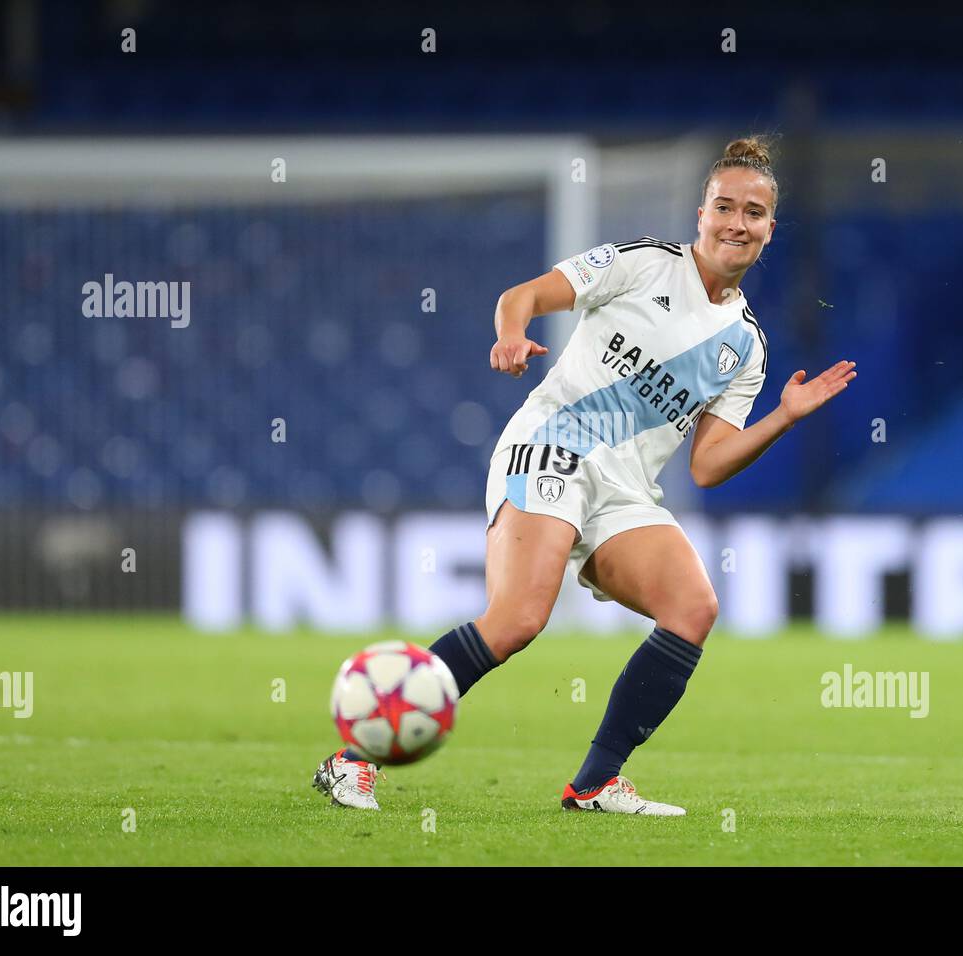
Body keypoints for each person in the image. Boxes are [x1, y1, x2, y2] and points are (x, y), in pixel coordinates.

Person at [314, 135, 856, 814]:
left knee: (693, 610)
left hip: (625, 489)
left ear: (770, 230)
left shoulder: (745, 345)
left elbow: (709, 464)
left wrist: (781, 416)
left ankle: (596, 781)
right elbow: (525, 294)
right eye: (725, 206)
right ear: (701, 213)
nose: (736, 224)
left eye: (752, 214)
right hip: (555, 445)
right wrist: (512, 335)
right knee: (515, 621)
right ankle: (351, 759)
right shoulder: (642, 264)